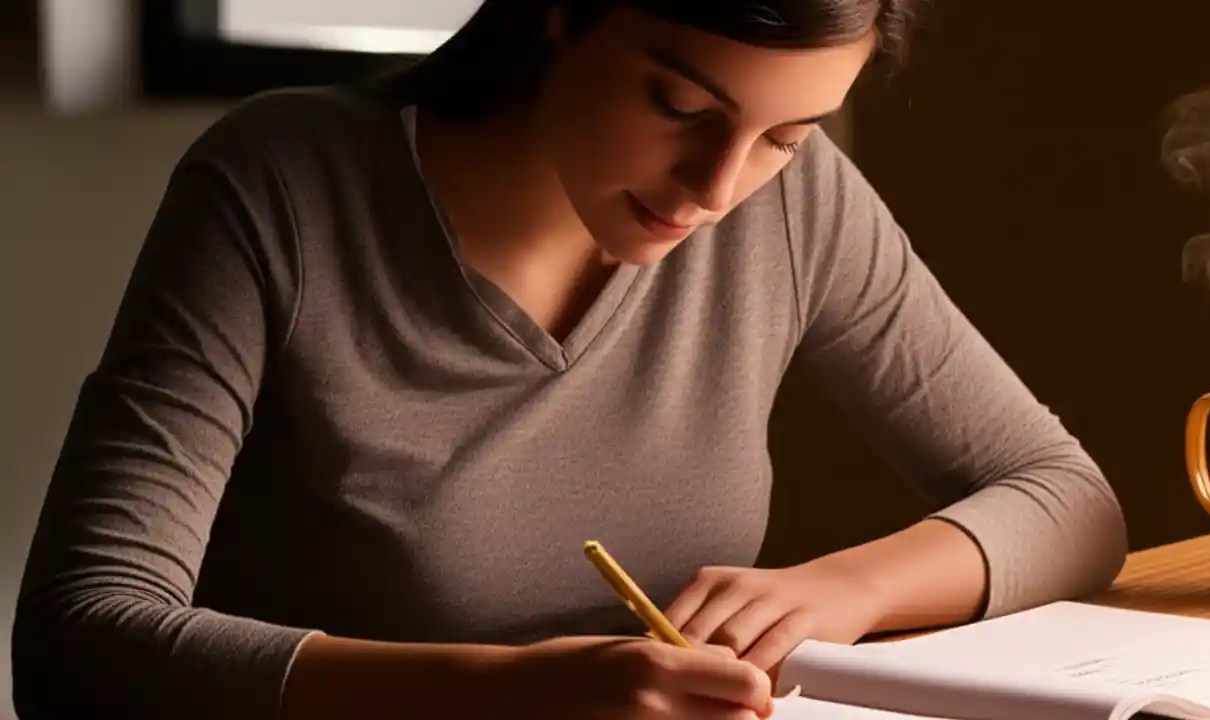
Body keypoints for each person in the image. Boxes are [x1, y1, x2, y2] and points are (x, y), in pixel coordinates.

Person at [11, 1, 1130, 718]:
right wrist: (502, 694)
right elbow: (83, 637)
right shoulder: (284, 185)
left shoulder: (792, 206)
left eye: (786, 137)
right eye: (680, 104)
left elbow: (1068, 502)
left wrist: (828, 596)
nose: (717, 186)